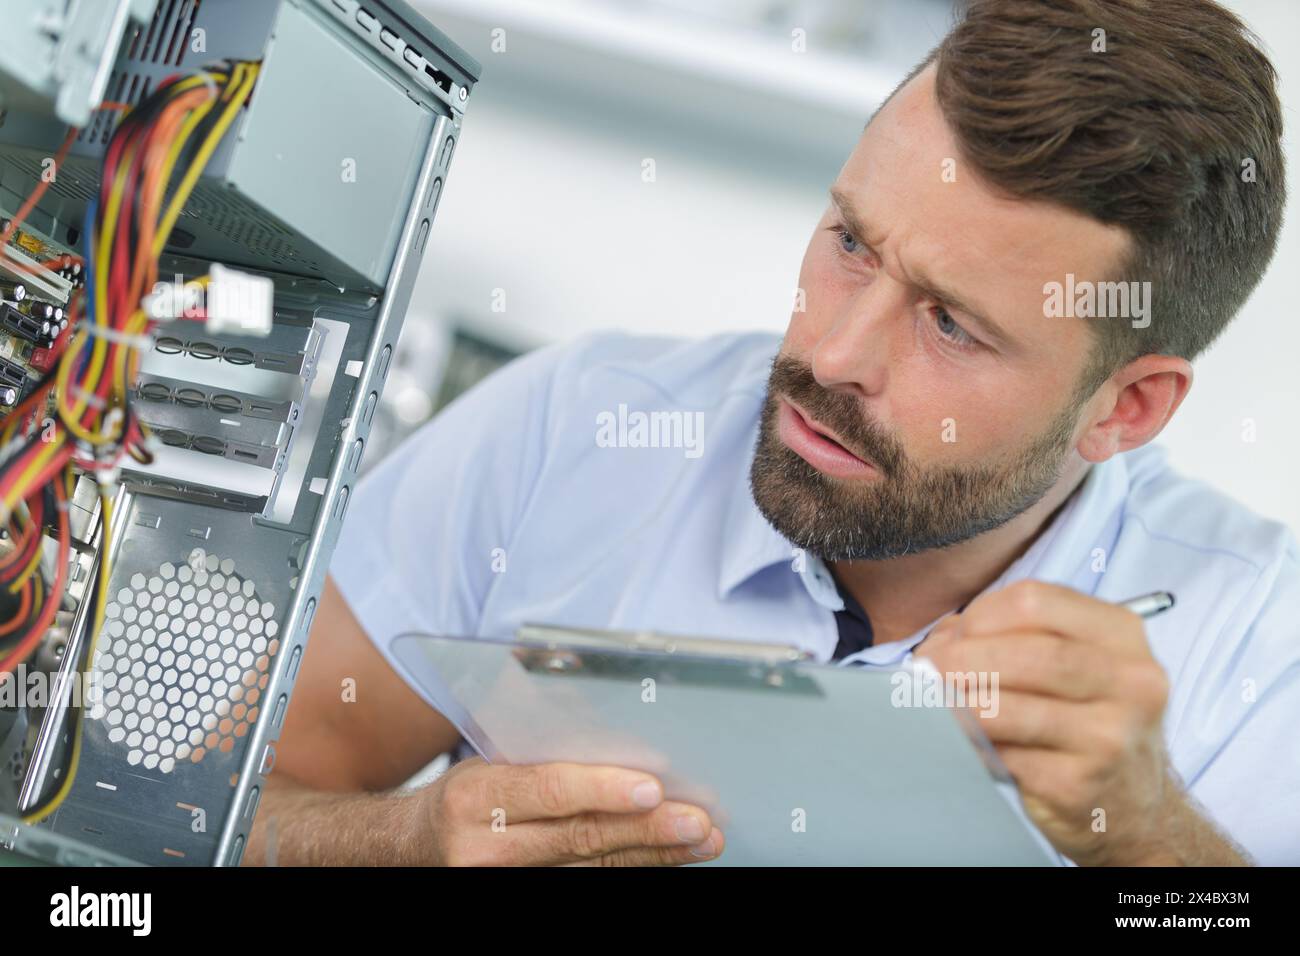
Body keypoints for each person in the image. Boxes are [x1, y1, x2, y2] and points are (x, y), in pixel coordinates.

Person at [248, 0, 1296, 866]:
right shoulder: (575, 423)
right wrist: (408, 836)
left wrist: (1151, 835)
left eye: (951, 325)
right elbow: (215, 804)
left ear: (1126, 407)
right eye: (850, 241)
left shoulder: (1258, 644)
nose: (836, 352)